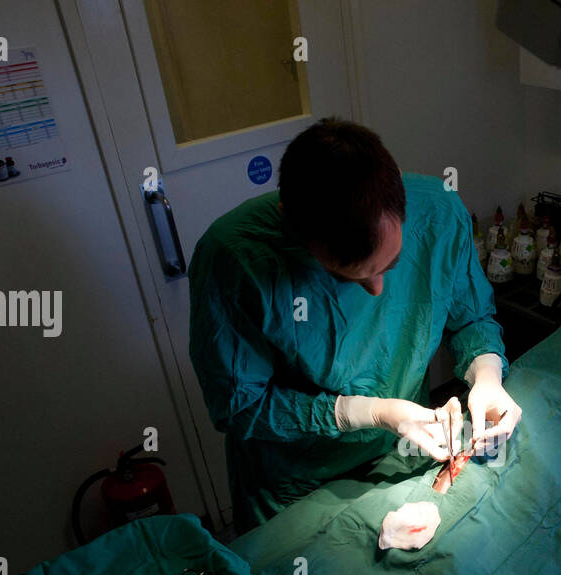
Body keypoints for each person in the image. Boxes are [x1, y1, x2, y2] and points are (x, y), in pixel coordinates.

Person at [189, 118, 521, 532]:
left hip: (394, 452)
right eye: (351, 278)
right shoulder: (234, 260)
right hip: (294, 474)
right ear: (293, 229)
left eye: (393, 265)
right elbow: (242, 405)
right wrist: (366, 411)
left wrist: (486, 373)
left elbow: (470, 315)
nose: (378, 289)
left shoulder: (437, 213)